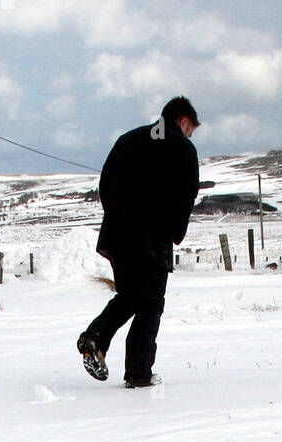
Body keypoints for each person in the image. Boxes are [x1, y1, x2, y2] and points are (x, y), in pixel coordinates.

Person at [77, 96, 200, 389]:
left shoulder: (128, 139)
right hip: (152, 238)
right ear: (183, 121)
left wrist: (119, 218)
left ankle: (96, 339)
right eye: (191, 129)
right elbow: (186, 194)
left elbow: (105, 184)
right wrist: (173, 232)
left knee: (132, 295)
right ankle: (138, 373)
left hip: (118, 235)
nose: (190, 135)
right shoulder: (181, 147)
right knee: (150, 303)